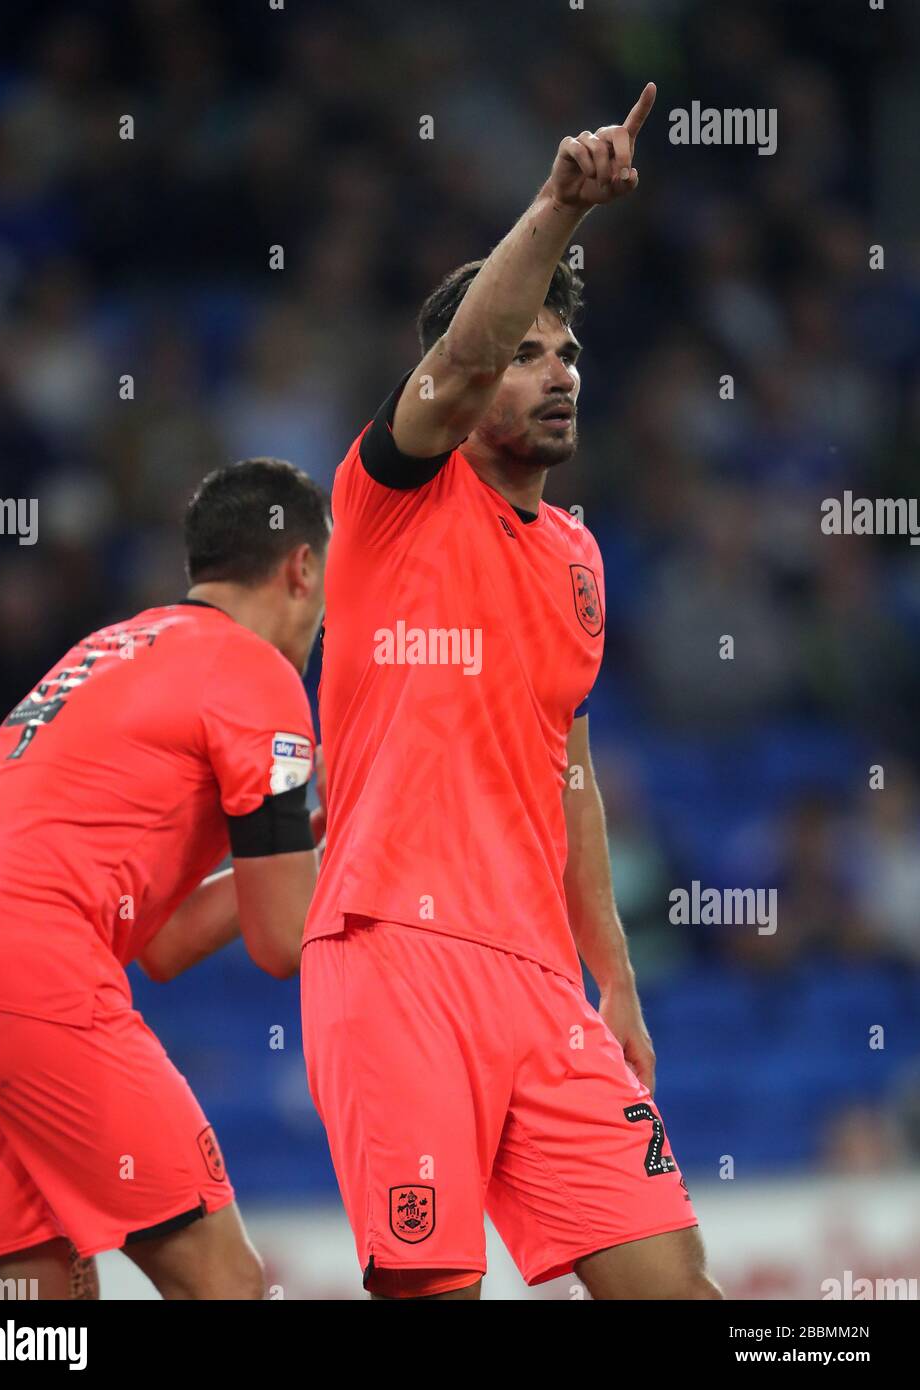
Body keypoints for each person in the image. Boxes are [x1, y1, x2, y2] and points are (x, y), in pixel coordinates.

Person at [302, 84, 722, 1300]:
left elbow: (568, 769)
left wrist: (617, 973)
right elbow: (461, 354)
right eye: (528, 353)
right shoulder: (392, 503)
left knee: (677, 1282)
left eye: (571, 352)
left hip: (541, 984)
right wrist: (558, 209)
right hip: (395, 950)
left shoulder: (581, 562)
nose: (556, 373)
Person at [0, 458, 328, 1299]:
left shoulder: (112, 648)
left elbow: (164, 944)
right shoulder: (257, 673)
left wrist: (311, 841)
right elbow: (285, 940)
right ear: (300, 568)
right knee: (223, 1283)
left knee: (36, 1303)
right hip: (30, 970)